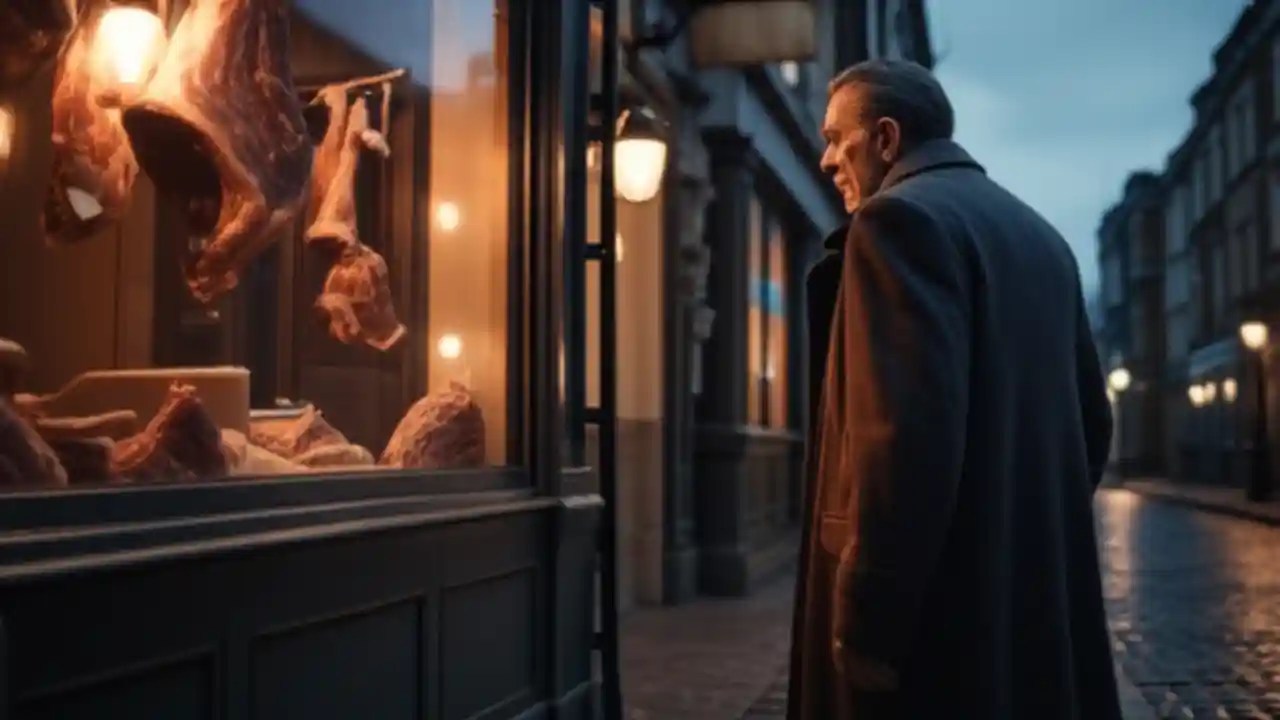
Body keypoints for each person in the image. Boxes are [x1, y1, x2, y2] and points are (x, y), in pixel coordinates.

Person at [788, 59, 1120, 719]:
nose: (826, 160)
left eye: (836, 137)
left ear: (885, 138)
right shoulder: (1044, 239)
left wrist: (871, 621)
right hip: (1023, 612)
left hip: (934, 630)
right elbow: (1092, 423)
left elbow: (902, 444)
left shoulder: (896, 225)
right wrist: (1012, 528)